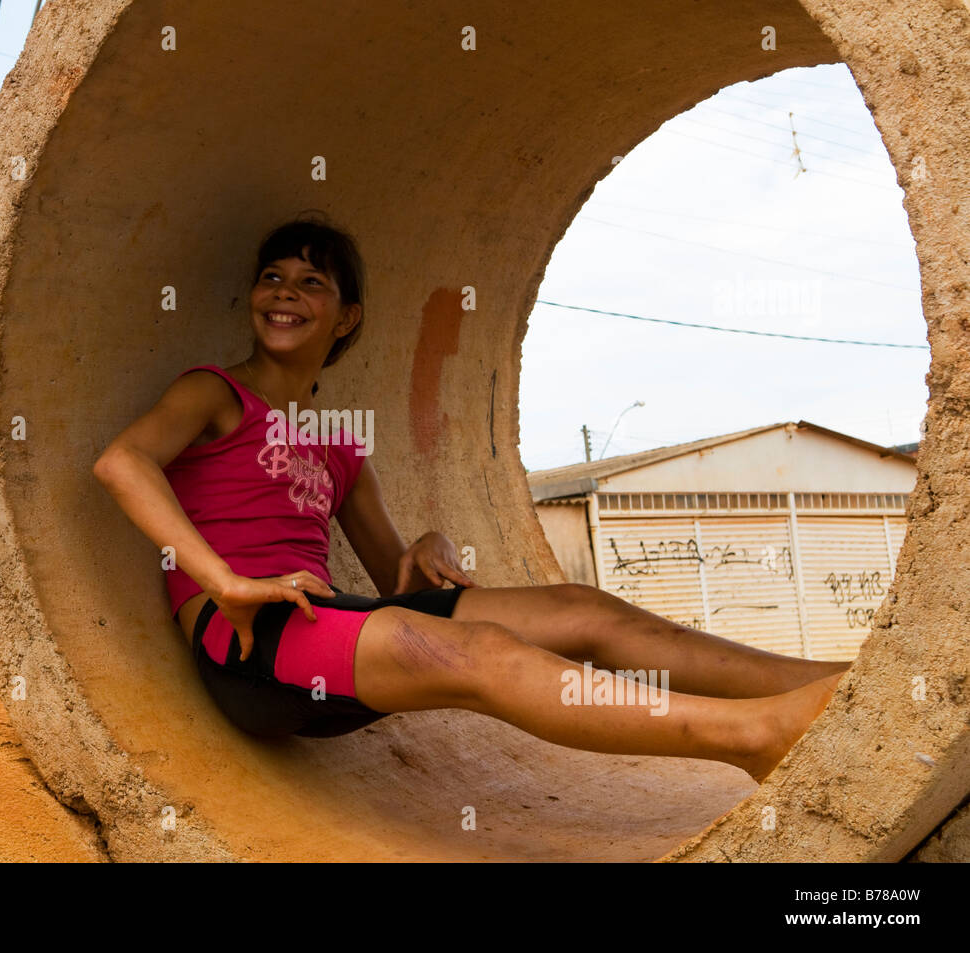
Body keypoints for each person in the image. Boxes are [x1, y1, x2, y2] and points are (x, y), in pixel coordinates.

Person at [92, 212, 849, 782]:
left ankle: (824, 686)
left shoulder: (340, 441)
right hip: (251, 645)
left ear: (347, 316)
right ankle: (751, 738)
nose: (284, 293)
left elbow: (398, 582)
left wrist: (428, 551)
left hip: (331, 624)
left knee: (581, 609)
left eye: (311, 282)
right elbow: (123, 461)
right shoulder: (214, 393)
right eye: (273, 278)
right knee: (483, 652)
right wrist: (223, 581)